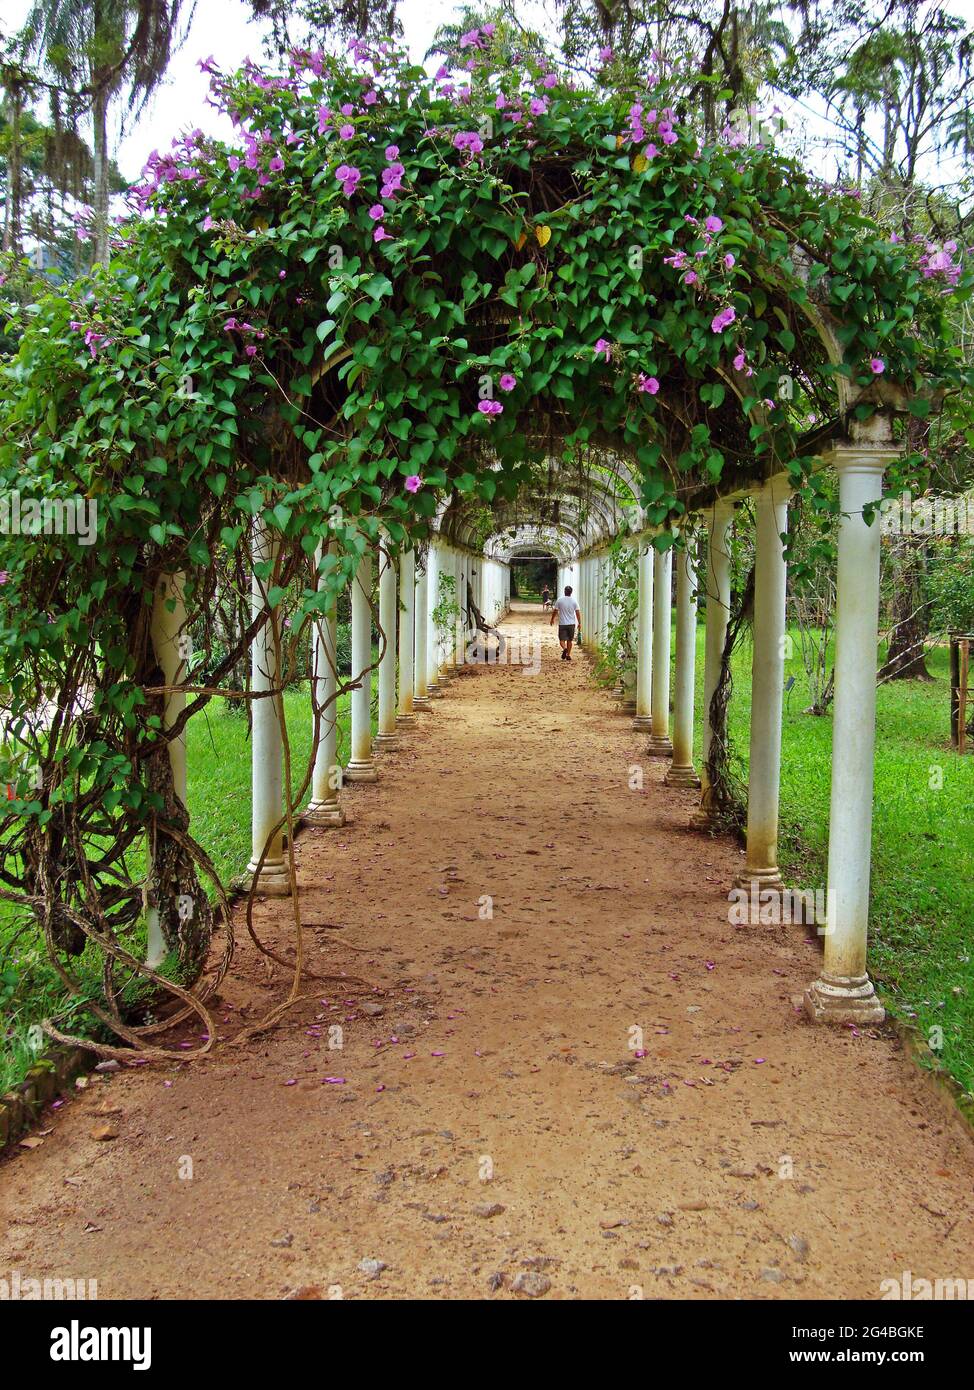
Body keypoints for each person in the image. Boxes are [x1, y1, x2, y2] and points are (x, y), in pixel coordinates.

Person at [550, 584, 581, 661]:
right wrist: (579, 623)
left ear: (564, 592)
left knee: (561, 640)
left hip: (562, 623)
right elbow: (577, 613)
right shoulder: (574, 601)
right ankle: (568, 655)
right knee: (570, 640)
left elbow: (555, 611)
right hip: (571, 624)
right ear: (571, 592)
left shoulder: (560, 600)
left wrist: (552, 619)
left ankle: (564, 648)